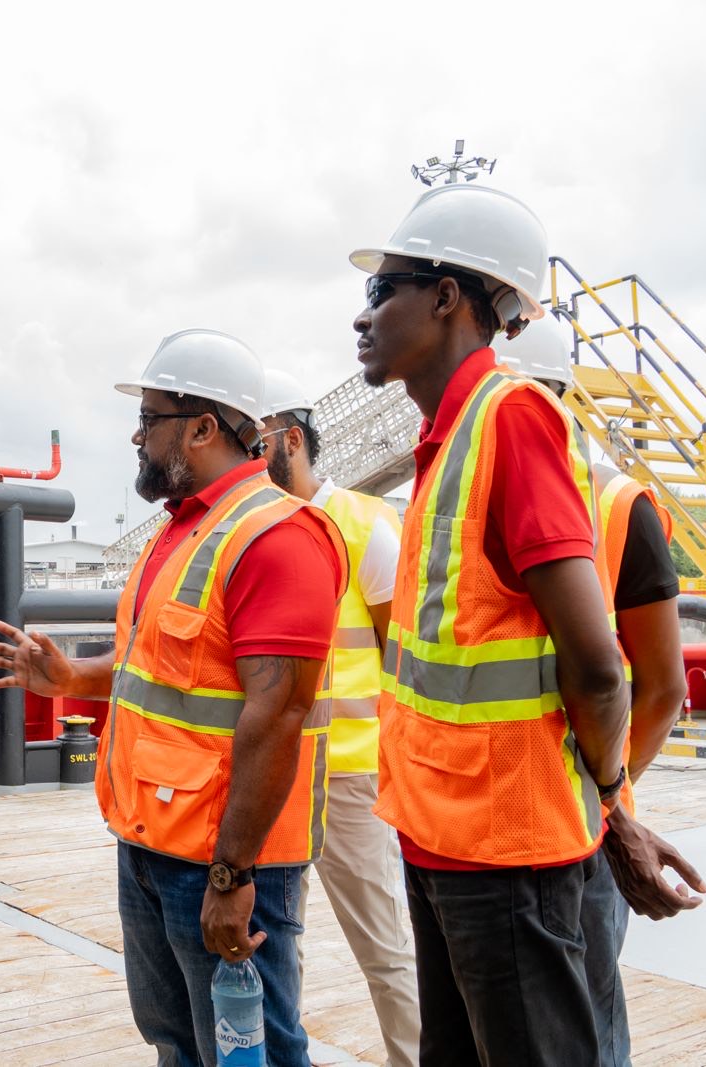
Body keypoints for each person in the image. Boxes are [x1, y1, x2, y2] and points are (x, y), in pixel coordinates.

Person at [0, 330, 348, 1067]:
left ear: (204, 428)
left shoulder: (278, 537)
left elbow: (278, 713)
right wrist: (72, 679)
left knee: (253, 1056)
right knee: (179, 1047)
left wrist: (232, 876)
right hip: (150, 845)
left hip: (226, 862)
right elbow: (165, 667)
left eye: (150, 419)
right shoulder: (177, 533)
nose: (136, 436)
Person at [349, 183, 631, 1065]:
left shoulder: (511, 419)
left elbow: (597, 662)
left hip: (507, 848)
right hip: (441, 833)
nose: (362, 318)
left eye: (381, 290)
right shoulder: (452, 435)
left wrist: (613, 798)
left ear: (446, 296)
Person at [497, 315, 706, 1066]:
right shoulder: (466, 489)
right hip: (485, 823)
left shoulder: (619, 504)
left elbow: (660, 688)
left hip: (579, 823)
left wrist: (603, 803)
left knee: (582, 1027)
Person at [259, 367, 420, 1067]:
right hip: (274, 774)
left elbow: (401, 657)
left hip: (349, 776)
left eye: (253, 437)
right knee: (272, 943)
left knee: (385, 948)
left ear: (290, 440)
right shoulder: (256, 527)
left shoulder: (363, 526)